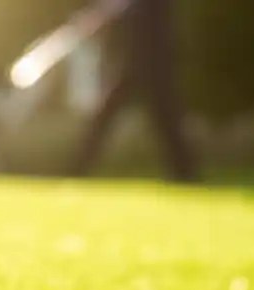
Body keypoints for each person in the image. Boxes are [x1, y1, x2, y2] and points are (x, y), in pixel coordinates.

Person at [73, 0, 199, 182]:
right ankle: (78, 169)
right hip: (135, 60)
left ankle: (186, 173)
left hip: (154, 59)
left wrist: (99, 15)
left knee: (167, 121)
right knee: (106, 116)